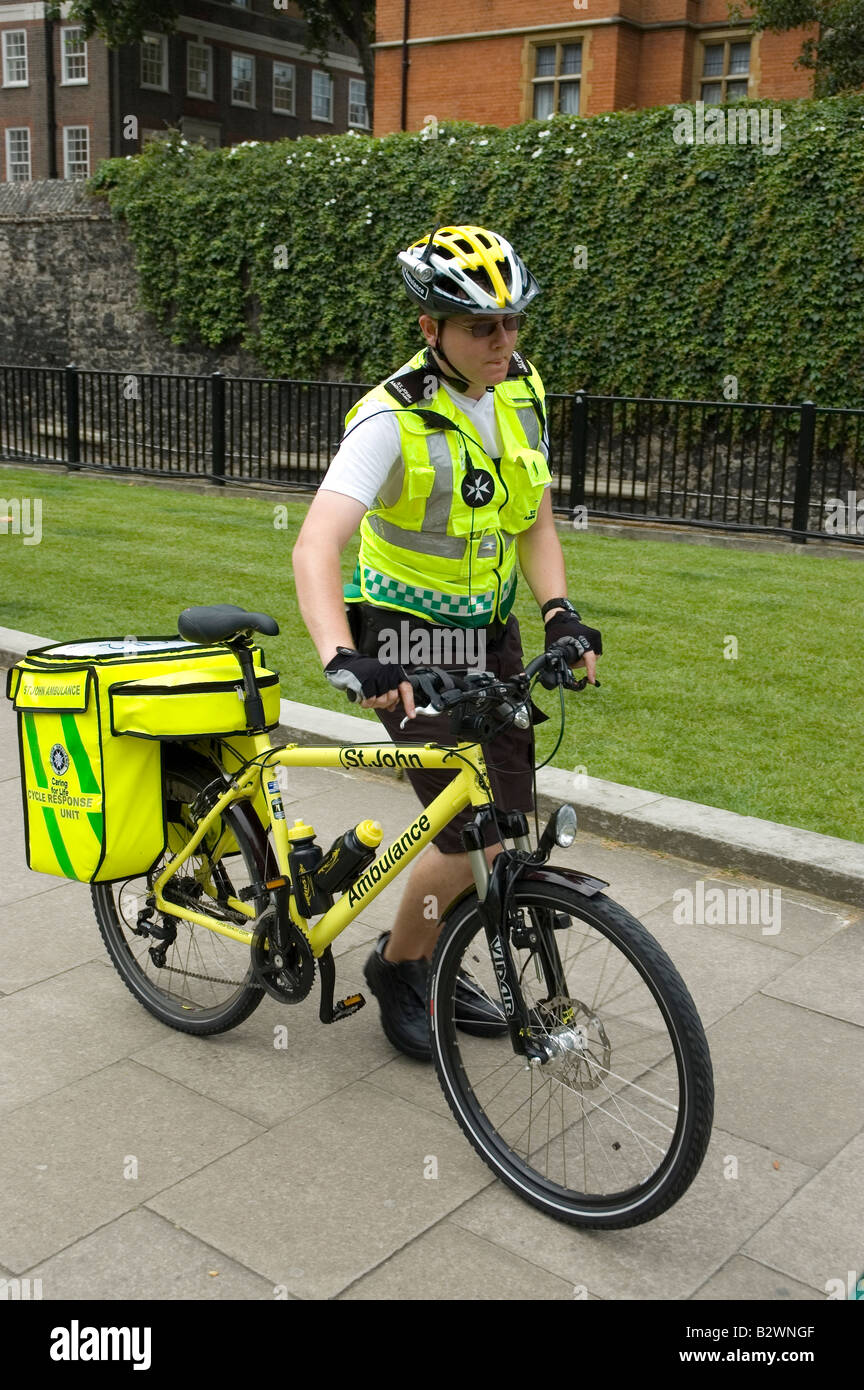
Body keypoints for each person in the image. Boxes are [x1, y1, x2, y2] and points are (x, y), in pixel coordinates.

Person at [292, 224, 602, 1061]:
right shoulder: (389, 421)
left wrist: (560, 613)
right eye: (480, 327)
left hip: (489, 633)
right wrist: (343, 655)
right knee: (471, 833)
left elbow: (533, 521)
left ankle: (429, 953)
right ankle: (401, 969)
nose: (503, 342)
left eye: (512, 322)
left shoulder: (522, 394)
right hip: (401, 638)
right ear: (431, 330)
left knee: (502, 820)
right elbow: (315, 545)